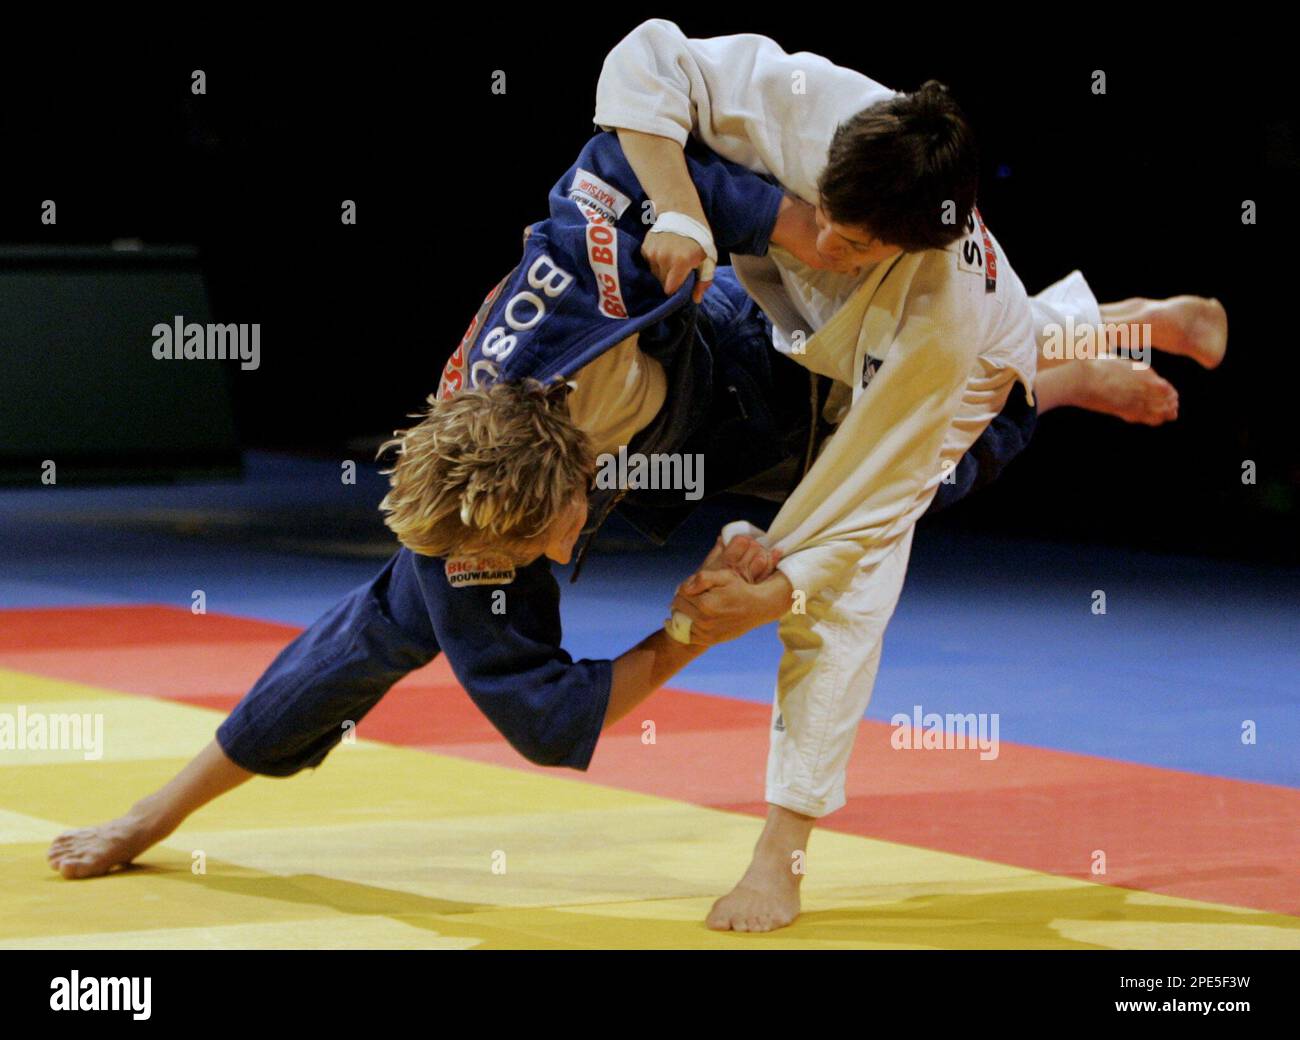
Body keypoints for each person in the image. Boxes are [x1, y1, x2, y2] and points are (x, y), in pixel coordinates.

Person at [596, 20, 1227, 932]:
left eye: (854, 247)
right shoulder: (823, 109)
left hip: (956, 374)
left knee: (853, 578)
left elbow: (868, 516)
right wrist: (679, 209)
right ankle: (1118, 334)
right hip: (835, 334)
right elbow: (646, 54)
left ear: (915, 248)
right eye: (830, 222)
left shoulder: (944, 325)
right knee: (1012, 339)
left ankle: (783, 856)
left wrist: (777, 579)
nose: (828, 245)